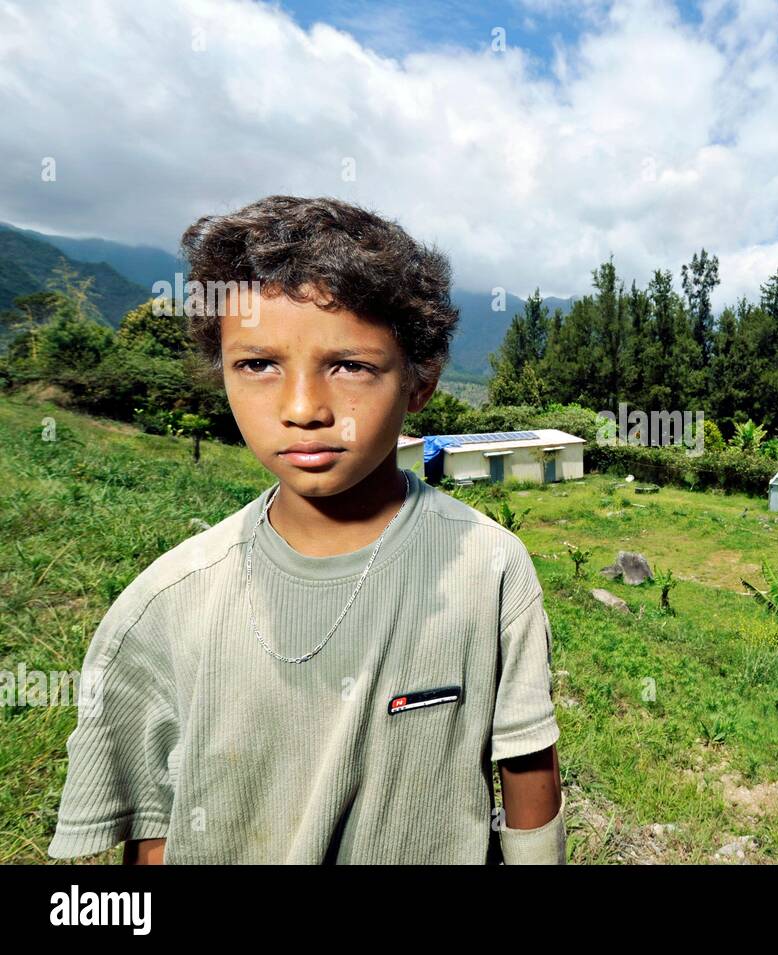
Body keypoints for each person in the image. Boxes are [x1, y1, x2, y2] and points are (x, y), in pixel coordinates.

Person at [47, 195, 565, 864]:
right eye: (258, 364)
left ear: (420, 380)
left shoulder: (490, 567)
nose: (303, 409)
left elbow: (528, 770)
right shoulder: (163, 609)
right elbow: (157, 832)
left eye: (349, 365)